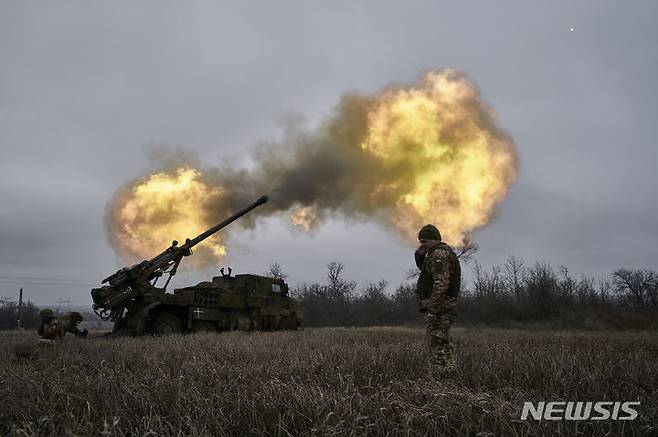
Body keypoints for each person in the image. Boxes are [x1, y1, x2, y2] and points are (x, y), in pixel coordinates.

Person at [414, 224, 461, 378]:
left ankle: (443, 380)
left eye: (424, 241)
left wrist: (433, 309)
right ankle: (450, 376)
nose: (422, 245)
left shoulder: (439, 255)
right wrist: (419, 257)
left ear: (433, 240)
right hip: (443, 306)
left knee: (437, 343)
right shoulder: (437, 253)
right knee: (443, 342)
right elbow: (428, 273)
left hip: (440, 308)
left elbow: (441, 285)